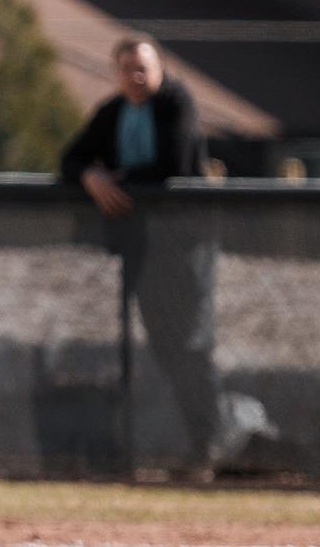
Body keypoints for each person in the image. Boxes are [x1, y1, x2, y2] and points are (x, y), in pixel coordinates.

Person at [59, 36, 221, 478]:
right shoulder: (112, 111)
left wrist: (119, 177)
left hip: (183, 251)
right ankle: (128, 455)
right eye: (126, 68)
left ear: (158, 68)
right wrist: (92, 177)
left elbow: (174, 163)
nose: (135, 76)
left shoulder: (176, 102)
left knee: (186, 346)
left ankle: (208, 447)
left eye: (142, 68)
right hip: (137, 250)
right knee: (146, 349)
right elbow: (70, 158)